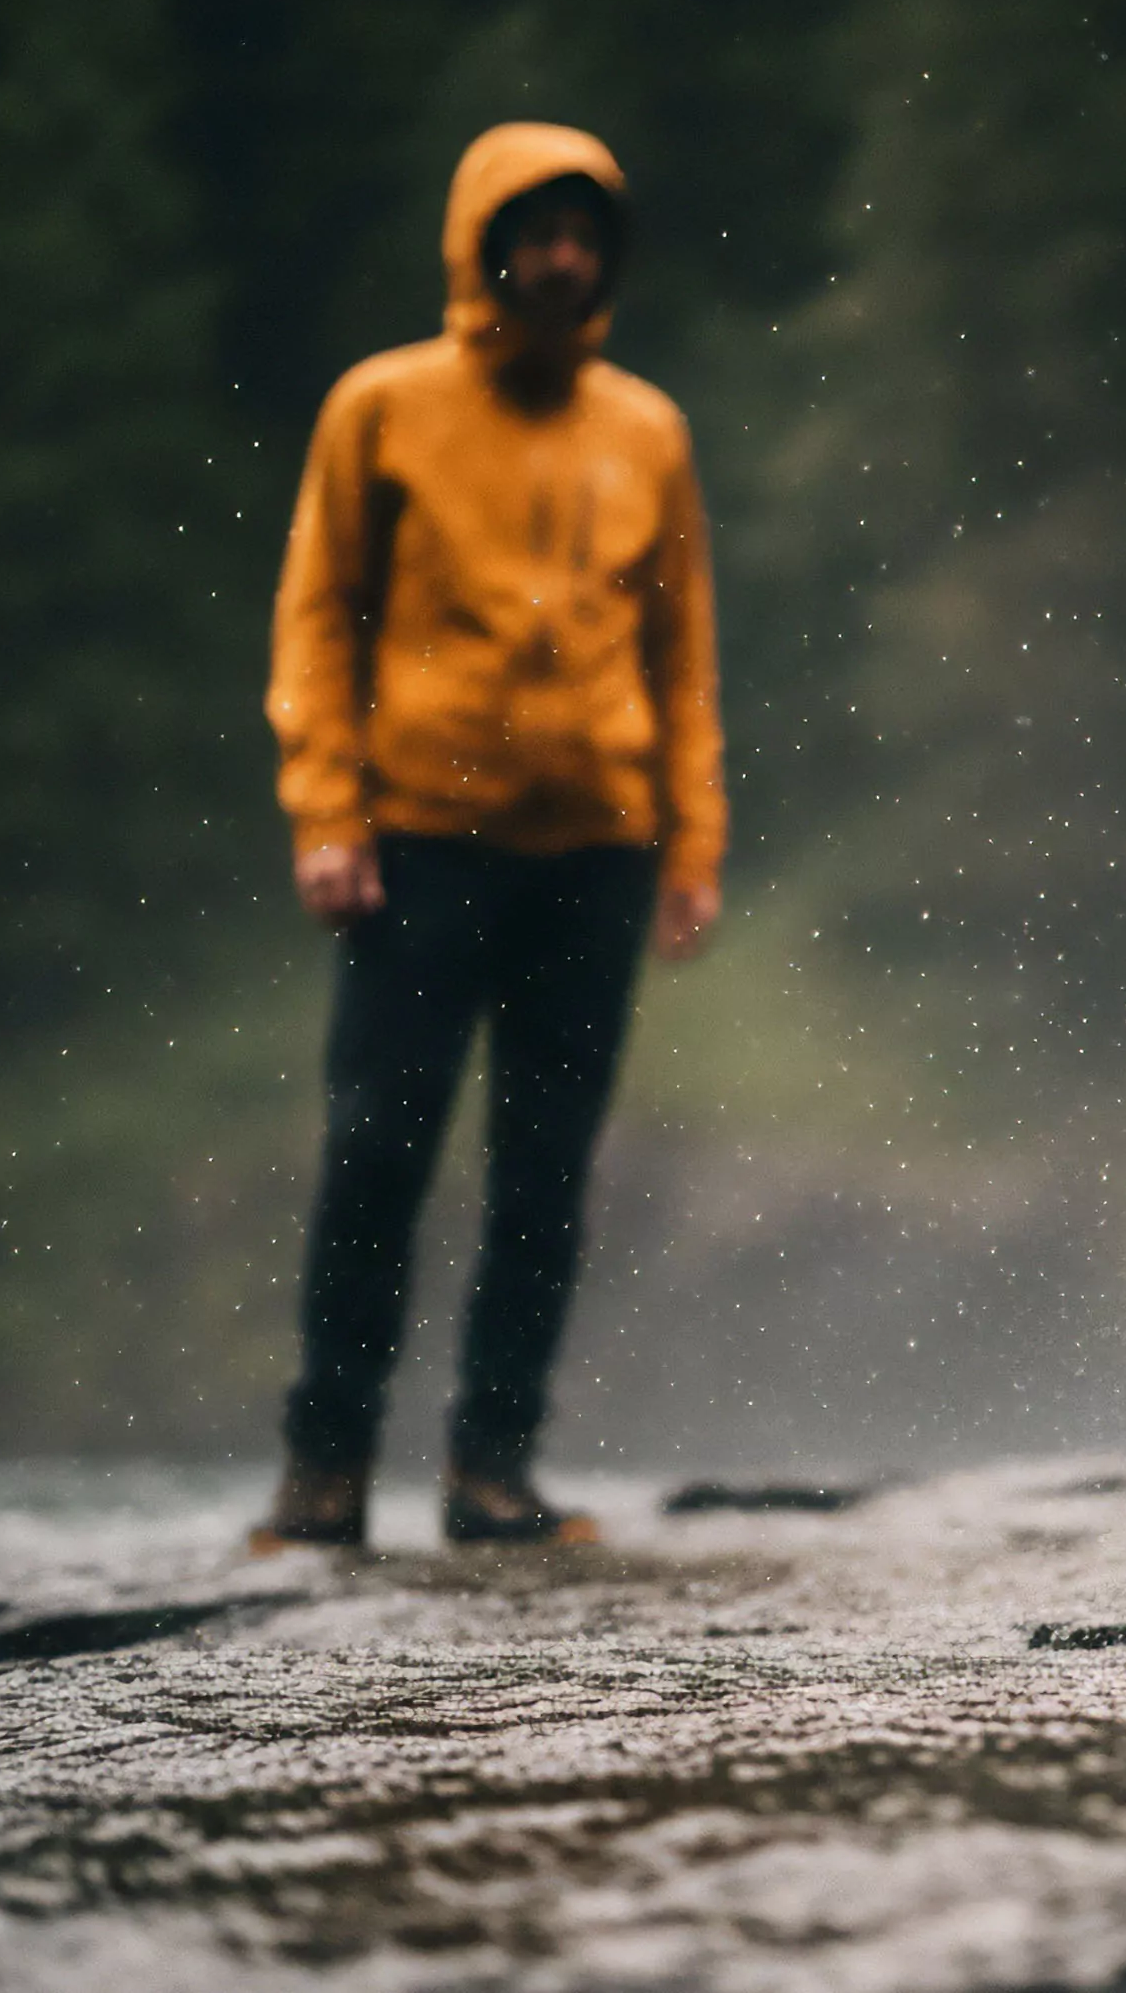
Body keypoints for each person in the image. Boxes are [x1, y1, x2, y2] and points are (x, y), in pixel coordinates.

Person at [249, 122, 723, 1553]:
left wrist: (691, 840)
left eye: (586, 233)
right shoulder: (382, 407)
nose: (562, 255)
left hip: (597, 847)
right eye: (537, 228)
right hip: (421, 838)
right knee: (377, 1148)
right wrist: (327, 812)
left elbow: (681, 649)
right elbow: (318, 614)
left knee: (547, 1166)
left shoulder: (647, 429)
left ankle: (491, 1469)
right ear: (481, 244)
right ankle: (324, 1473)